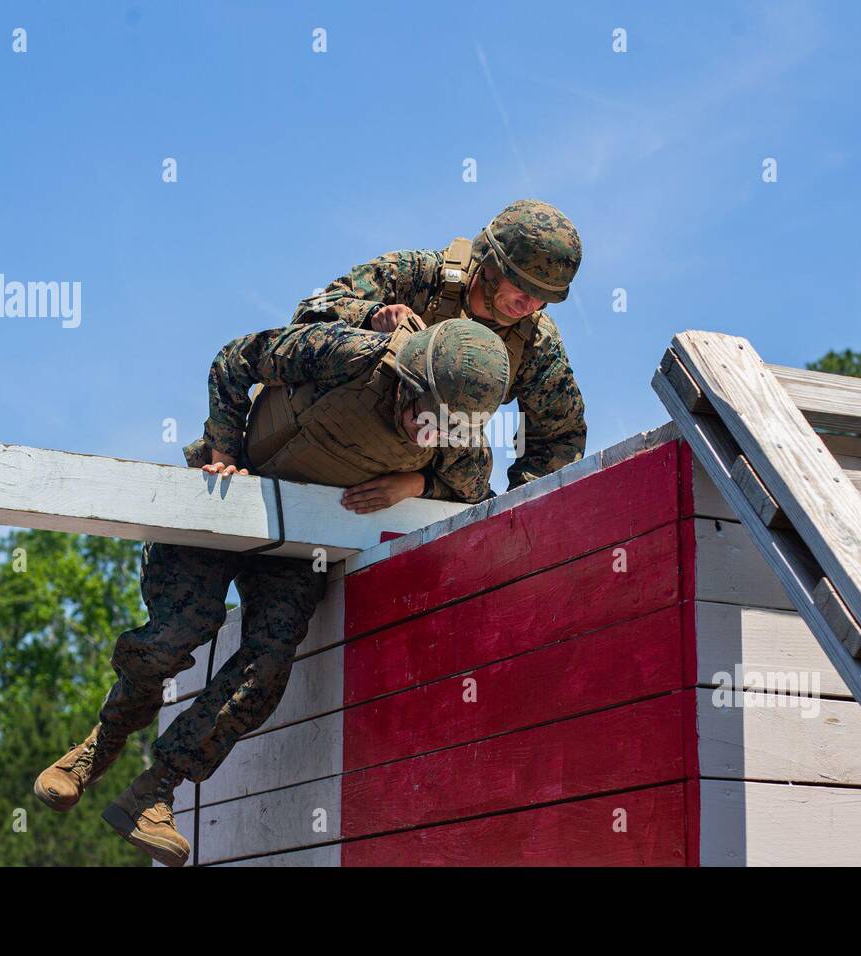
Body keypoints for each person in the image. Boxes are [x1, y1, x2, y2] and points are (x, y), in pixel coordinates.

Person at [33, 318, 511, 866]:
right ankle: (97, 749)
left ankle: (154, 793)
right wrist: (224, 449)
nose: (434, 435)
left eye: (449, 430)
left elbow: (472, 490)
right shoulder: (350, 356)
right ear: (407, 382)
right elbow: (234, 360)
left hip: (298, 543)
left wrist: (419, 483)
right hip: (226, 499)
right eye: (427, 419)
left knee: (266, 667)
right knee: (174, 637)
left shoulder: (459, 431)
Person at [294, 199, 586, 489]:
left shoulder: (536, 341)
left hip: (414, 476)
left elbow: (559, 437)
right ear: (491, 264)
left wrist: (522, 508)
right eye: (523, 288)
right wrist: (370, 318)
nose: (530, 304)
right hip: (325, 437)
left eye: (543, 296)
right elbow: (309, 316)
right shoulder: (419, 276)